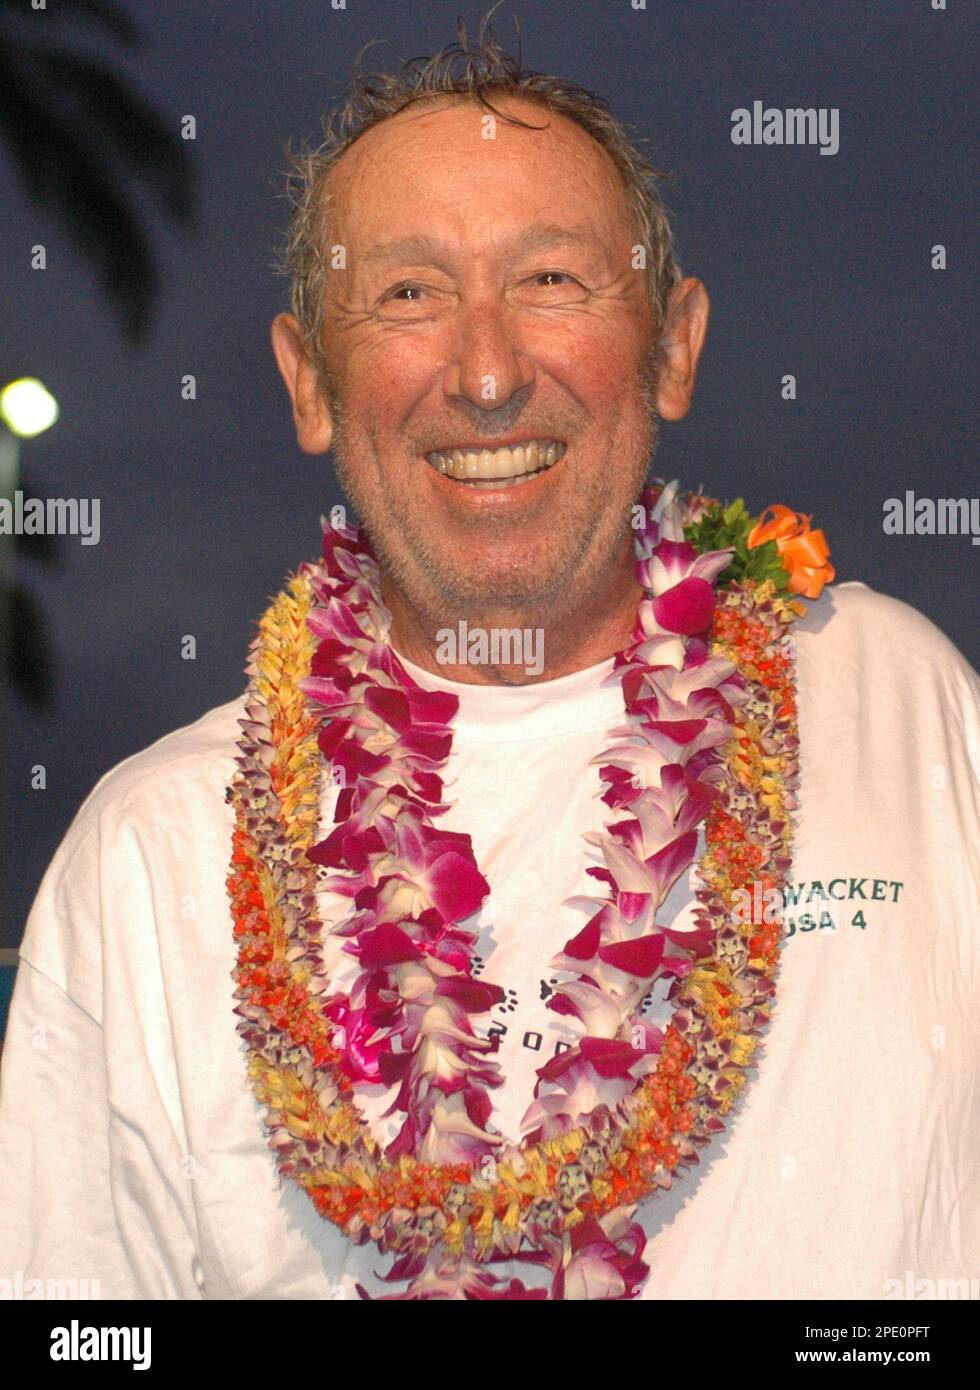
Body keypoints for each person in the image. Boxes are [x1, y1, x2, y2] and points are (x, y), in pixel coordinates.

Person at [1, 23, 978, 1302]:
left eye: (552, 280)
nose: (484, 371)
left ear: (673, 346)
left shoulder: (897, 704)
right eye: (407, 292)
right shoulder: (153, 850)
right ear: (310, 384)